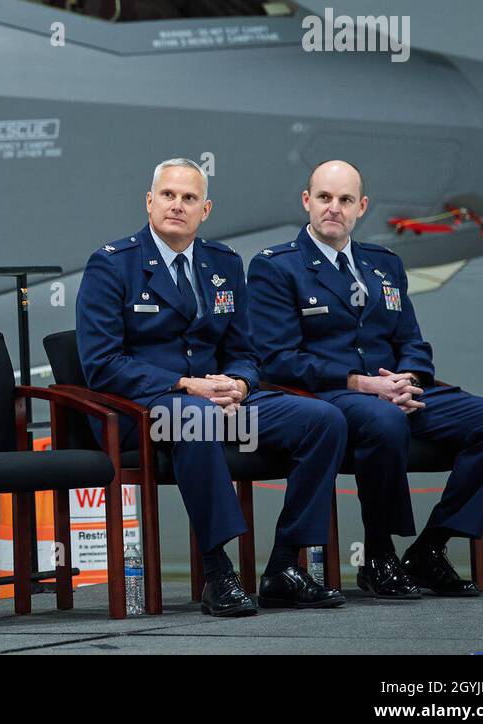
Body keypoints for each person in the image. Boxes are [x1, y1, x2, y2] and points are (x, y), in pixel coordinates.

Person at [76, 158, 348, 615]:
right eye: (167, 195)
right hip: (142, 411)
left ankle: (284, 564)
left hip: (223, 404)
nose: (177, 206)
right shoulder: (112, 265)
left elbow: (246, 350)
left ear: (206, 210)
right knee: (194, 419)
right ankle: (217, 571)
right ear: (149, 202)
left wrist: (240, 383)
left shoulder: (222, 263)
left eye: (188, 198)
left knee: (324, 420)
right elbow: (102, 365)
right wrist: (185, 385)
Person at [246, 159, 483, 598]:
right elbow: (278, 360)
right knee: (384, 420)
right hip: (331, 396)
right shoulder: (276, 267)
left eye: (345, 200)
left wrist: (408, 380)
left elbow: (411, 339)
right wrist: (364, 384)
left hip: (399, 392)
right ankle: (378, 555)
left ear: (362, 207)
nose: (333, 208)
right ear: (306, 202)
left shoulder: (384, 263)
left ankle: (432, 546)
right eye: (324, 198)